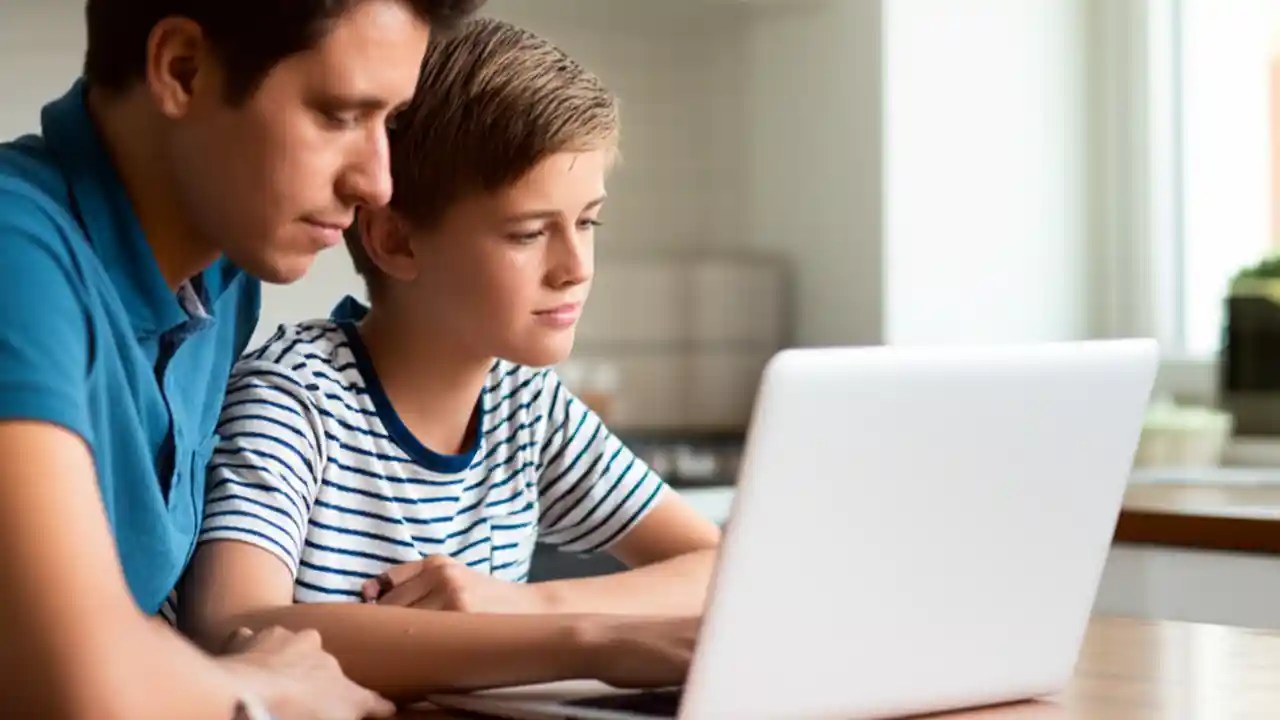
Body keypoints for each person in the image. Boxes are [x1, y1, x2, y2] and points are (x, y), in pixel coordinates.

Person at [180, 17, 722, 703]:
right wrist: (594, 641)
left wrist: (524, 607)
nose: (575, 268)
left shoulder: (528, 404)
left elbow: (723, 565)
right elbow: (234, 625)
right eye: (528, 233)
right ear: (396, 241)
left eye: (587, 222)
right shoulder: (295, 399)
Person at [0, 1, 483, 718]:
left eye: (389, 123)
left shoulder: (224, 284)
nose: (377, 182)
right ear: (182, 71)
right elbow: (77, 681)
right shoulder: (17, 250)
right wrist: (267, 688)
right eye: (340, 114)